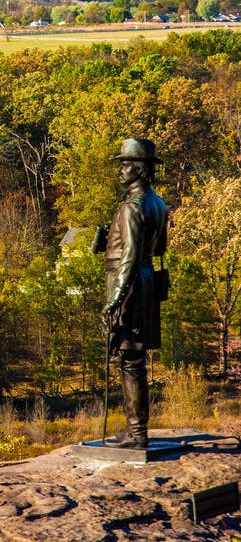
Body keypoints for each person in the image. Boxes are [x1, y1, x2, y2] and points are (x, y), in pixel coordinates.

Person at [99, 138, 167, 449]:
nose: (120, 171)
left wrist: (114, 300)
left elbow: (128, 256)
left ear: (139, 169)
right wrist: (106, 240)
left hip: (129, 286)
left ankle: (137, 433)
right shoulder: (158, 203)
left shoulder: (132, 207)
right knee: (134, 359)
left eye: (125, 165)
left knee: (129, 361)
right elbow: (159, 247)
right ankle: (135, 430)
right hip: (147, 281)